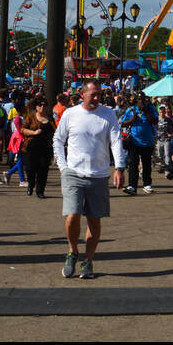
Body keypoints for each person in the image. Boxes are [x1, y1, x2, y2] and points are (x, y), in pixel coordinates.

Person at [53, 82, 126, 280]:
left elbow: (116, 140)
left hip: (99, 174)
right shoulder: (70, 114)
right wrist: (62, 166)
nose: (96, 98)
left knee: (94, 221)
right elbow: (58, 140)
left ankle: (88, 260)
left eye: (99, 95)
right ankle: (72, 251)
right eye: (93, 94)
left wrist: (119, 168)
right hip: (73, 172)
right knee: (72, 215)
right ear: (82, 94)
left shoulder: (108, 114)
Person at [121, 99, 158, 195]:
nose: (142, 103)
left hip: (147, 142)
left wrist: (146, 111)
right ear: (137, 102)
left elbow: (155, 121)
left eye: (144, 101)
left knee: (146, 164)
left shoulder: (151, 109)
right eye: (140, 101)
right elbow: (123, 123)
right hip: (134, 142)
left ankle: (147, 184)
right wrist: (132, 119)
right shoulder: (131, 110)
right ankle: (132, 186)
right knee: (133, 164)